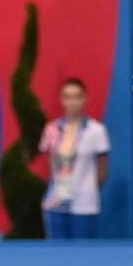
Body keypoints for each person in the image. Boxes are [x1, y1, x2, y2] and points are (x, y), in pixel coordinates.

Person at [38, 77, 111, 239]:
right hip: (55, 204)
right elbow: (49, 164)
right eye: (67, 97)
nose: (72, 102)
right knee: (57, 256)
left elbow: (103, 172)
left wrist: (85, 191)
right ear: (62, 100)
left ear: (85, 99)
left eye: (77, 97)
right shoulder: (52, 129)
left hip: (85, 205)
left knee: (83, 256)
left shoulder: (96, 131)